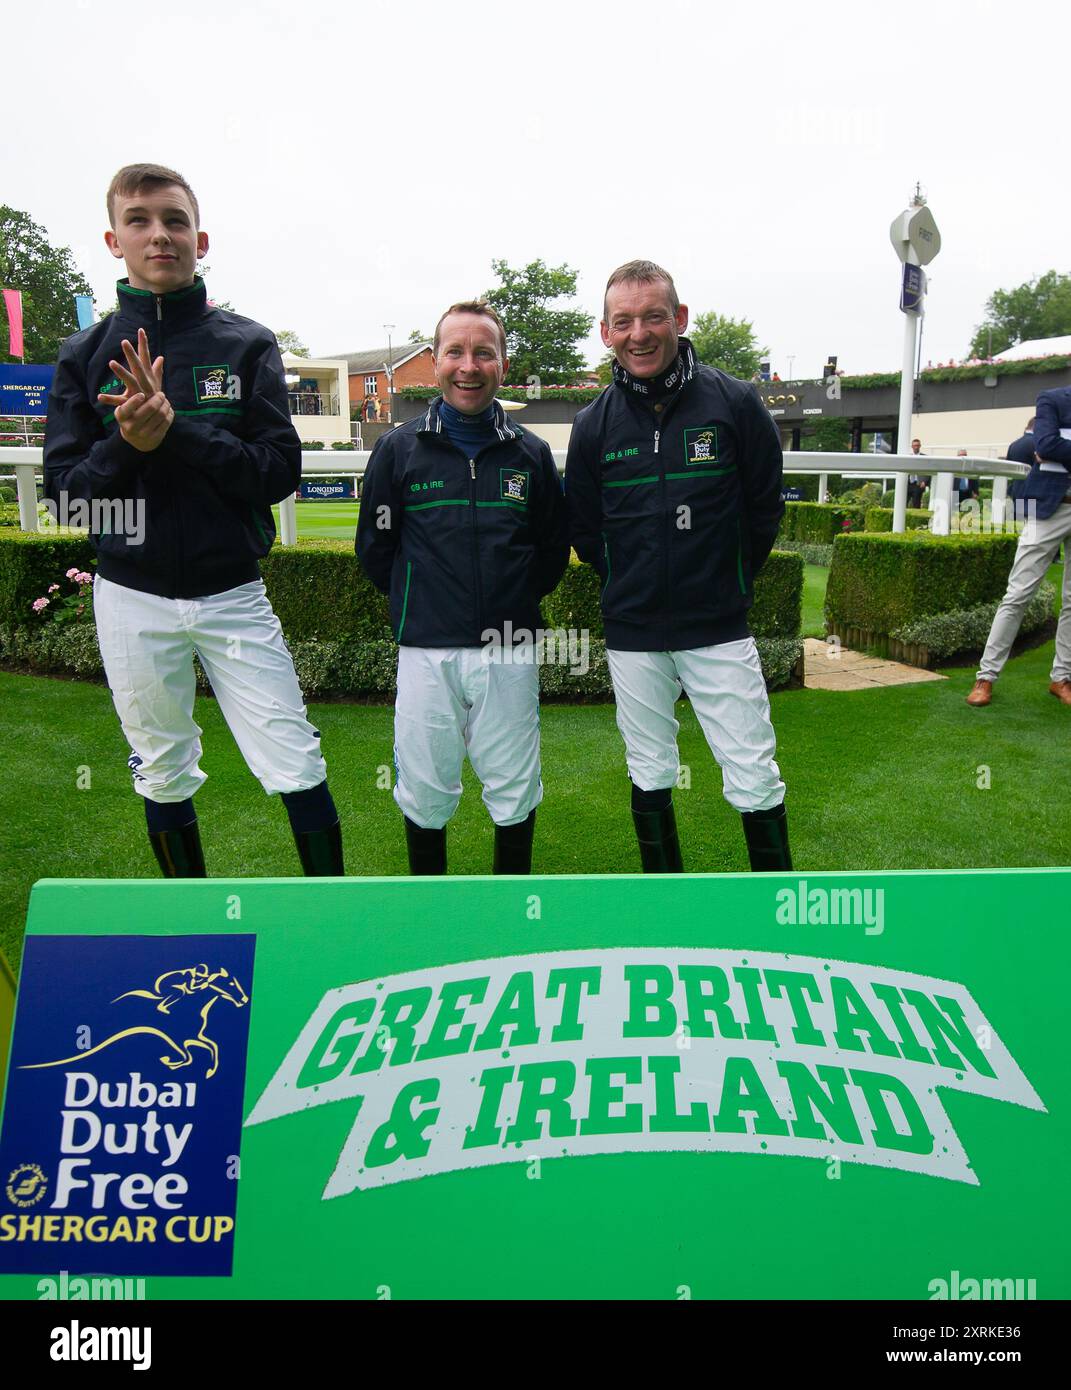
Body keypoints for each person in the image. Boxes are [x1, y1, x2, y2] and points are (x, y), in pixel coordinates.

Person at [44, 163, 344, 877]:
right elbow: (67, 496)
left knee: (293, 757)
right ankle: (194, 925)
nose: (159, 235)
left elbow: (277, 471)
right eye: (141, 220)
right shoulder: (82, 355)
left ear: (198, 236)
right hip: (130, 595)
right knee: (162, 765)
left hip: (232, 593)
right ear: (114, 239)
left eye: (174, 220)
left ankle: (334, 918)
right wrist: (127, 444)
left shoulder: (245, 343)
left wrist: (176, 430)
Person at [565, 259, 790, 873]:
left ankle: (773, 907)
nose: (639, 333)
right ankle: (664, 904)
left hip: (717, 624)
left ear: (679, 318)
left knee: (752, 768)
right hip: (634, 630)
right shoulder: (593, 425)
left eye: (653, 317)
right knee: (650, 767)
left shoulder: (735, 403)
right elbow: (585, 527)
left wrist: (729, 580)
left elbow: (763, 505)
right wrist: (624, 582)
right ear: (607, 332)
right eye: (624, 321)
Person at [356, 300, 569, 874]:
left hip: (510, 647)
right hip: (426, 649)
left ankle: (508, 914)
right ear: (437, 361)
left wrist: (511, 605)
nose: (468, 366)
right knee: (425, 793)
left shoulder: (531, 454)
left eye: (483, 352)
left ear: (502, 363)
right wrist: (420, 605)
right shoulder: (397, 450)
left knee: (514, 789)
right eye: (455, 351)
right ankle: (432, 917)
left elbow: (550, 553)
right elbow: (376, 549)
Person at [966, 389, 1071, 707]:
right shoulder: (1052, 399)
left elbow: (1054, 448)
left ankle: (1061, 677)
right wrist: (1052, 447)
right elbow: (1045, 444)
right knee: (1017, 594)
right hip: (1050, 509)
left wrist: (1059, 449)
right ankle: (985, 677)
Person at [907, 439, 929, 509]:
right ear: (912, 447)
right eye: (914, 445)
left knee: (916, 503)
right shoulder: (908, 457)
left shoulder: (924, 457)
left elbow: (928, 471)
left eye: (917, 445)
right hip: (909, 483)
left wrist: (924, 482)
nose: (916, 447)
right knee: (903, 502)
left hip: (918, 484)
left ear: (920, 446)